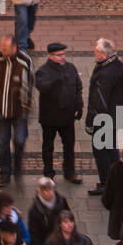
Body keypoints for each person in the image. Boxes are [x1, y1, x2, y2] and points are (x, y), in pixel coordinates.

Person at [34, 41, 83, 183]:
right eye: (59, 55)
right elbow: (42, 87)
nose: (62, 57)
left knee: (69, 146)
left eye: (64, 54)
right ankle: (48, 172)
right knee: (48, 146)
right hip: (50, 117)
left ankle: (69, 172)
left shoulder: (70, 68)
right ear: (50, 55)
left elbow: (78, 87)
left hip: (67, 116)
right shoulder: (43, 71)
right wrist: (55, 81)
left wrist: (79, 105)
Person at [85, 38, 123, 197]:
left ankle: (106, 183)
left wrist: (91, 121)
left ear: (105, 54)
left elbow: (99, 101)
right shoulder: (118, 66)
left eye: (96, 51)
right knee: (111, 149)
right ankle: (115, 181)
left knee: (101, 151)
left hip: (104, 119)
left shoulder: (106, 73)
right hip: (115, 115)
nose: (94, 53)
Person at [0, 35, 33, 187]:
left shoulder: (24, 62)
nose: (3, 52)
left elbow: (28, 86)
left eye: (5, 49)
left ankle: (18, 165)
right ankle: (5, 173)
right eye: (2, 49)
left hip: (19, 112)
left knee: (20, 140)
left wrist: (26, 108)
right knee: (2, 143)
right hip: (1, 112)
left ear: (14, 48)